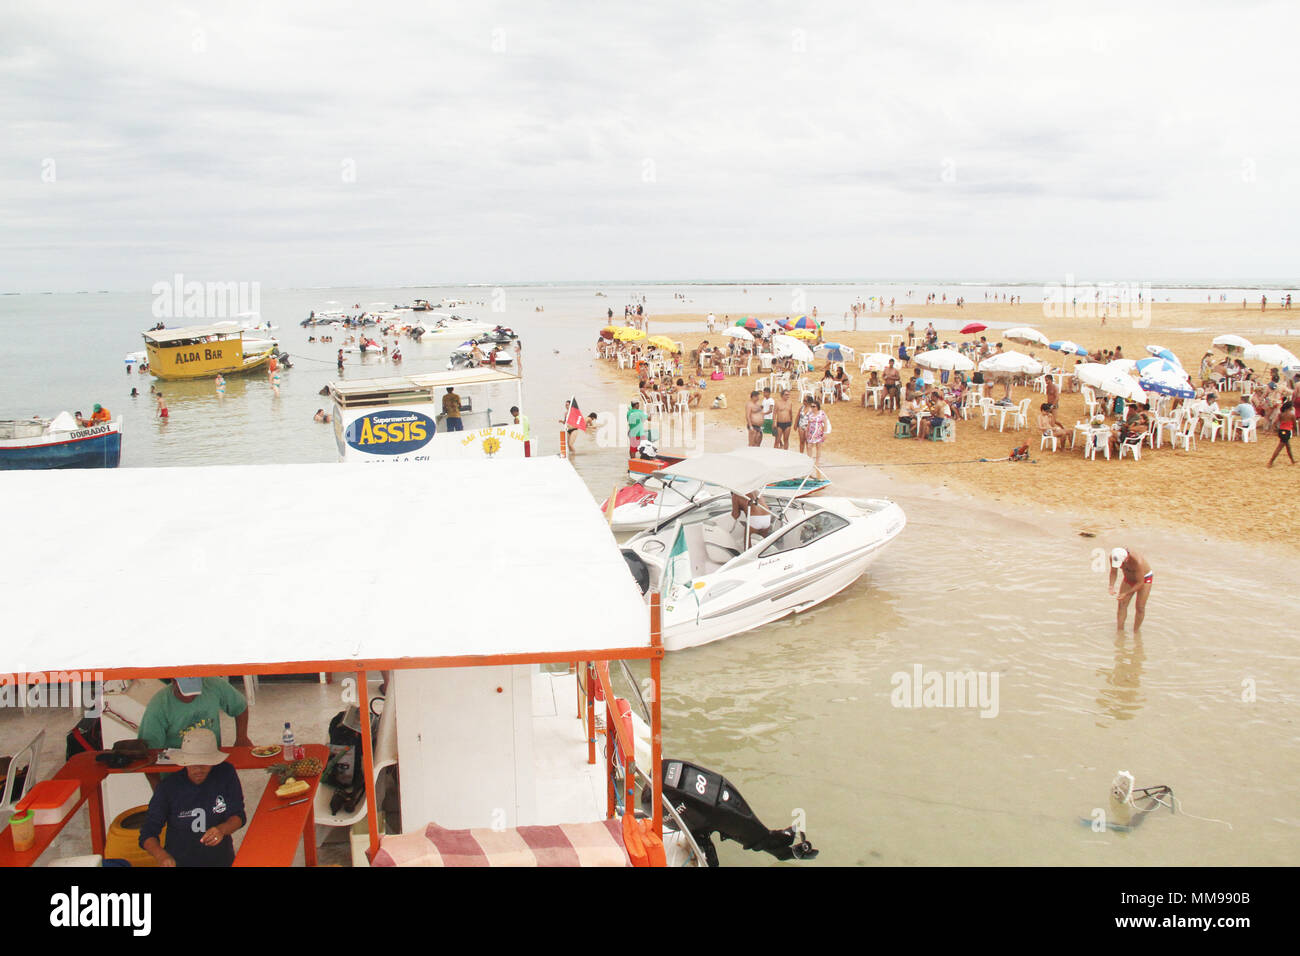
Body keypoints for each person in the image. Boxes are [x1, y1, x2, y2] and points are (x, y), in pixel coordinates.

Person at [139, 729, 245, 868]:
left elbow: (238, 815)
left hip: (222, 861)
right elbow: (148, 833)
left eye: (205, 763)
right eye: (193, 763)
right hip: (181, 862)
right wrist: (162, 856)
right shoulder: (168, 788)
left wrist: (222, 829)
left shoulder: (225, 773)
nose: (198, 769)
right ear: (184, 762)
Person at [138, 677, 252, 751]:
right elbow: (149, 754)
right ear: (173, 681)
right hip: (175, 768)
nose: (190, 697)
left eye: (195, 691)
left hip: (211, 758)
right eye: (185, 691)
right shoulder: (158, 706)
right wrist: (160, 789)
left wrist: (242, 737)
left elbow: (240, 706)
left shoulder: (214, 684)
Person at [1109, 548, 1153, 632]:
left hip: (1144, 579)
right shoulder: (1113, 556)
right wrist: (1111, 586)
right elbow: (1113, 572)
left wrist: (1126, 593)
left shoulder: (1137, 562)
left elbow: (1140, 583)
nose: (1120, 566)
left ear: (1126, 559)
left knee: (1140, 607)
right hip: (1128, 578)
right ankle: (1120, 631)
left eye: (1121, 564)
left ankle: (1136, 631)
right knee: (1122, 604)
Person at [1267, 399, 1295, 467]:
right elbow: (1294, 424)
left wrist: (1273, 430)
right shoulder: (1291, 414)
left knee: (1288, 446)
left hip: (1281, 430)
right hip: (1287, 431)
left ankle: (1292, 460)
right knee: (1279, 448)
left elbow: (1274, 422)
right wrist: (1294, 431)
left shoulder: (1281, 414)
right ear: (1290, 407)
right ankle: (1270, 461)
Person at [804, 399, 829, 465]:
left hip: (819, 433)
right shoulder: (810, 414)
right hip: (811, 433)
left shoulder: (822, 413)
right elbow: (808, 423)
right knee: (809, 446)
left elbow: (825, 423)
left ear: (817, 407)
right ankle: (809, 460)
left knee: (818, 447)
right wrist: (806, 432)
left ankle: (817, 461)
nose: (812, 408)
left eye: (814, 406)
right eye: (811, 406)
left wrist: (825, 433)